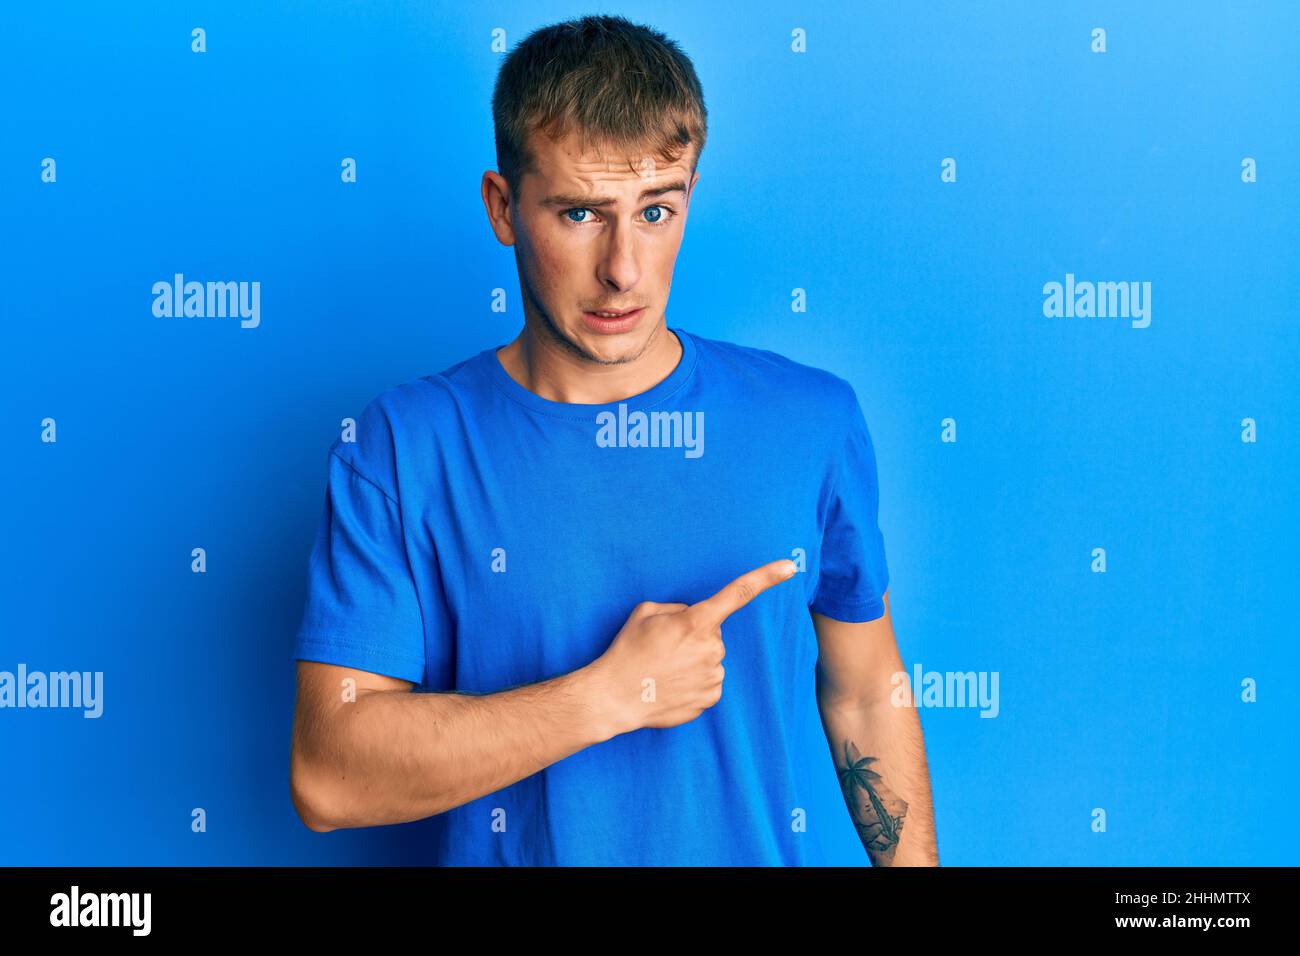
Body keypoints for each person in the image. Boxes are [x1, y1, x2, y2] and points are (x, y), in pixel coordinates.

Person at [289, 13, 938, 866]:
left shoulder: (811, 420)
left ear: (690, 195)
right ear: (503, 208)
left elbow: (864, 692)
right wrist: (609, 695)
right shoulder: (403, 448)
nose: (623, 269)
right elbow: (330, 778)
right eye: (581, 214)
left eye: (656, 210)